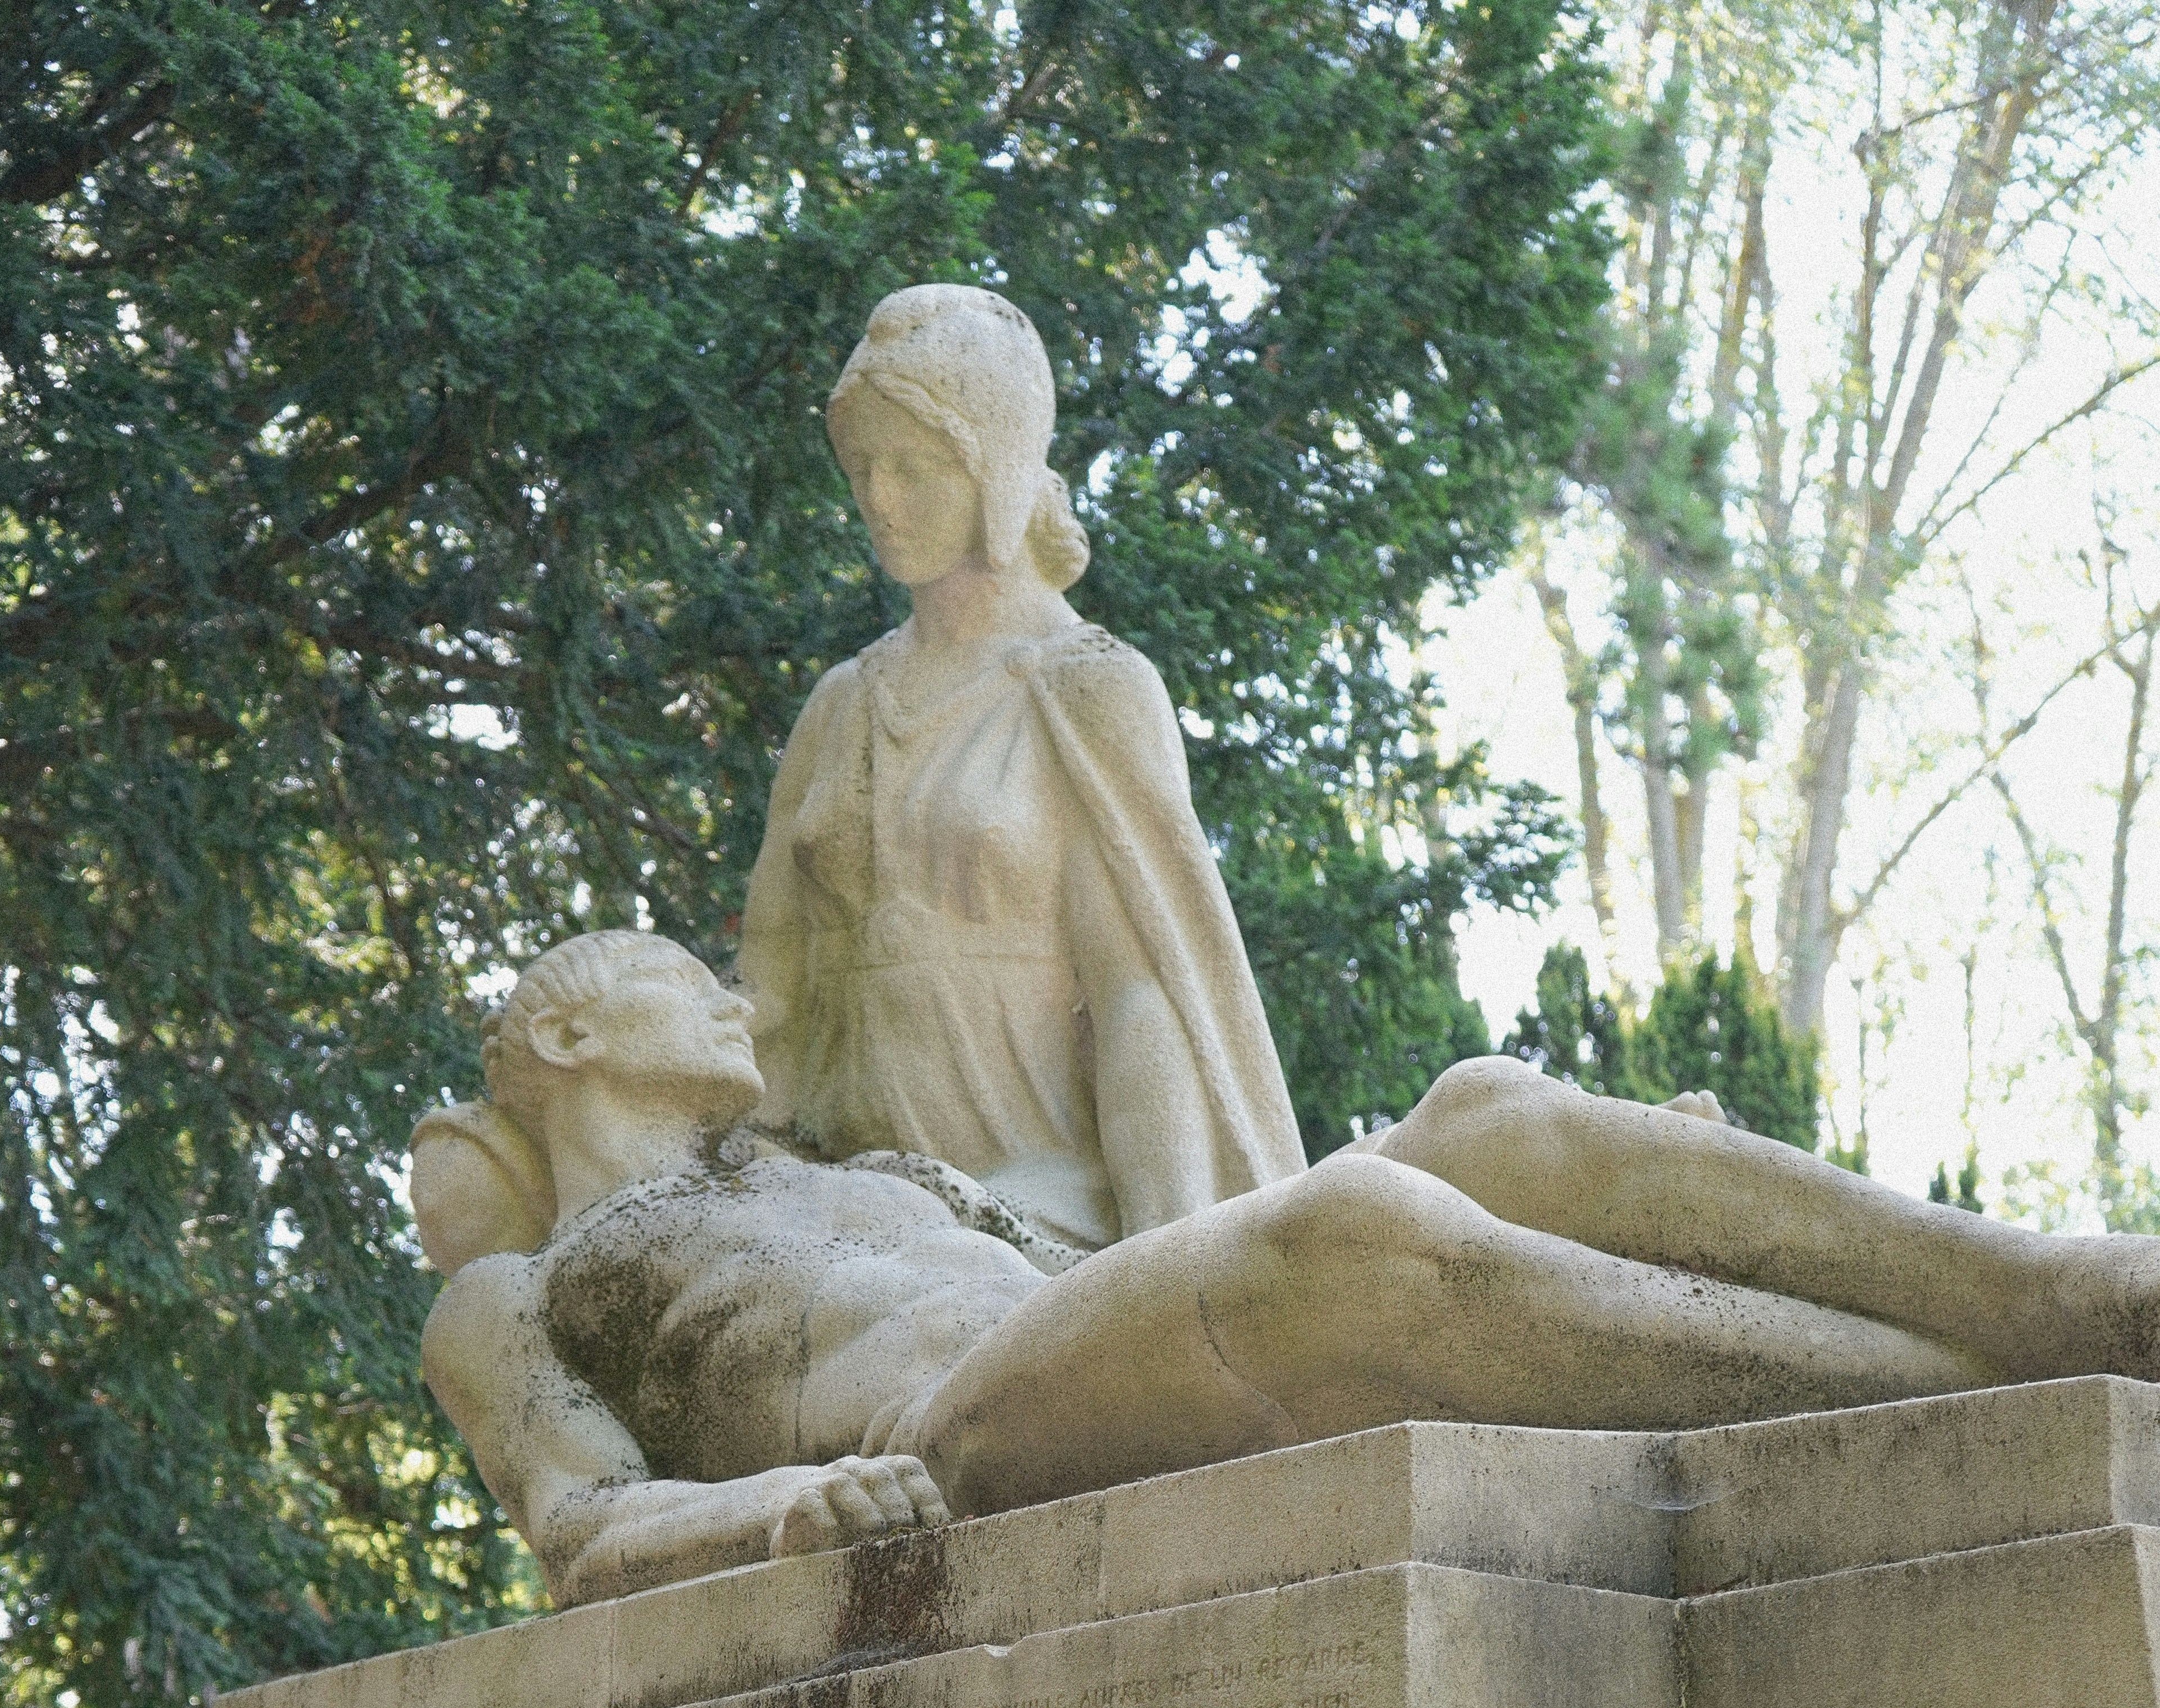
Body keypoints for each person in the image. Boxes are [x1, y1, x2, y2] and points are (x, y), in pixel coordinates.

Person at [414, 930, 2160, 1608]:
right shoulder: (521, 1292)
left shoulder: (856, 1167)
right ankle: (2010, 1398)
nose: (734, 996)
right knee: (1344, 1237)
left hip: (1073, 1341)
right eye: (685, 977)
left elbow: (1141, 1272)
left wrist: (1535, 1170)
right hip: (937, 1437)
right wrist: (787, 1511)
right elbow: (584, 1527)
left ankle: (2050, 1296)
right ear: (566, 1031)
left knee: (1486, 1109)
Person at [735, 284, 1304, 1262]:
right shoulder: (842, 704)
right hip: (833, 1193)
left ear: (996, 470)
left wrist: (1162, 1251)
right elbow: (767, 991)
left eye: (914, 468)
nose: (879, 500)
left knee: (907, 1271)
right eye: (862, 468)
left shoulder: (1087, 686)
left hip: (1030, 1205)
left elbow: (1140, 993)